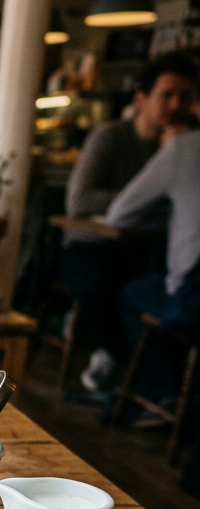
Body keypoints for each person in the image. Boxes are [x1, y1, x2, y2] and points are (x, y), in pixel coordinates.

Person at [61, 53, 197, 391]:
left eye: (185, 97)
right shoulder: (110, 137)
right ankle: (122, 363)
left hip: (146, 247)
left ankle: (146, 380)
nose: (176, 105)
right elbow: (79, 202)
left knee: (154, 285)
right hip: (92, 243)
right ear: (141, 98)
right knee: (100, 285)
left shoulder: (185, 146)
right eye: (167, 95)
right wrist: (147, 194)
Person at [106, 129, 200, 405]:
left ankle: (160, 393)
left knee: (133, 294)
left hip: (191, 299)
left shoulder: (185, 148)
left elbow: (119, 215)